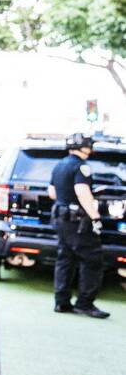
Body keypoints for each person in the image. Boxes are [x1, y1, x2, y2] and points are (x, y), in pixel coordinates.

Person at [48, 133, 109, 319]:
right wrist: (95, 217)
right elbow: (82, 192)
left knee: (65, 259)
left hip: (61, 218)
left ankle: (61, 302)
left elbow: (52, 193)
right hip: (78, 221)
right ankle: (85, 303)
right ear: (85, 147)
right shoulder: (81, 167)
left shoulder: (59, 165)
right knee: (92, 260)